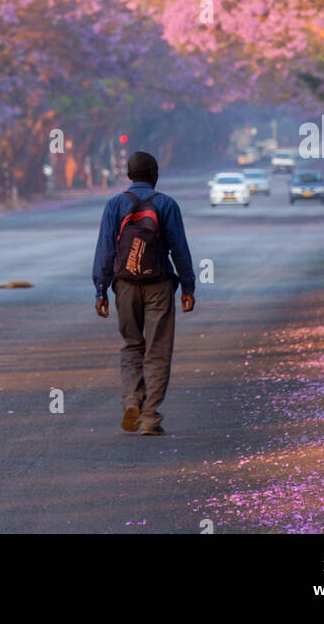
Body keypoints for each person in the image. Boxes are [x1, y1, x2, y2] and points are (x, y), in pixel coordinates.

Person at [92, 150, 195, 436]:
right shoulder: (166, 204)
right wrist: (188, 286)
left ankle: (131, 400)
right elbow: (179, 249)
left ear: (128, 175)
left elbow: (105, 251)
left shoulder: (114, 205)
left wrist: (100, 290)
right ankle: (150, 418)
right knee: (157, 351)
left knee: (132, 345)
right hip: (159, 286)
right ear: (155, 174)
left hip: (124, 287)